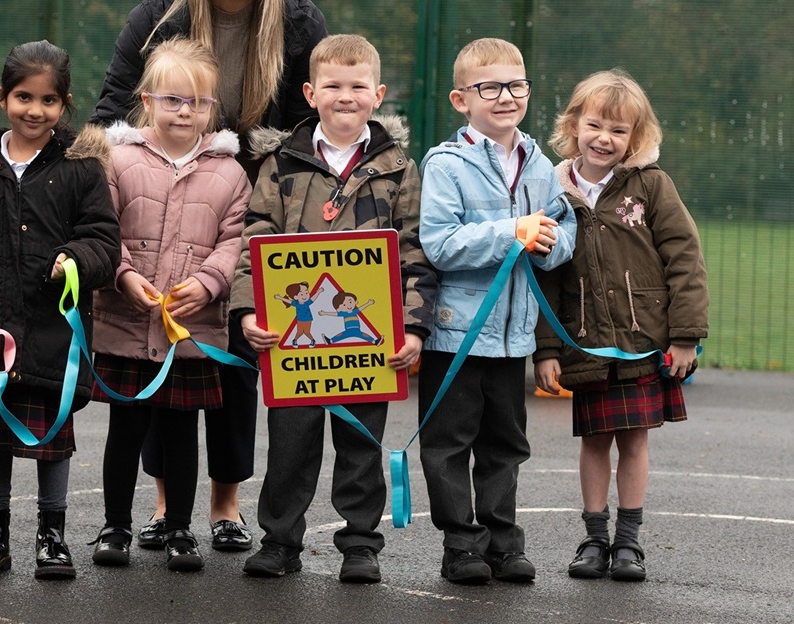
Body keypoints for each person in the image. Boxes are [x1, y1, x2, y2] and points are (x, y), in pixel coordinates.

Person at [92, 0, 329, 553]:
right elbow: (114, 102)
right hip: (163, 187)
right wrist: (98, 186)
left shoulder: (299, 20)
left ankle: (226, 504)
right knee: (163, 347)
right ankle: (168, 506)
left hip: (252, 194)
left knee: (236, 358)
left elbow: (315, 117)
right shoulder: (160, 13)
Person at [232, 34, 437, 584]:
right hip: (295, 343)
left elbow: (415, 250)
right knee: (290, 445)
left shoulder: (399, 167)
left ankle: (360, 545)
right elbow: (256, 239)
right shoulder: (281, 162)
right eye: (332, 86)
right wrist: (250, 313)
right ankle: (279, 541)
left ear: (378, 94)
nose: (345, 96)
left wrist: (413, 326)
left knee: (360, 445)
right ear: (310, 92)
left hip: (365, 341)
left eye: (357, 86)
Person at [0, 41, 120, 580]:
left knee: (51, 438)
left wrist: (75, 258)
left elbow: (103, 240)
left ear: (65, 104)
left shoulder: (82, 168)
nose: (34, 110)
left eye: (49, 101)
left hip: (53, 333)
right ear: (2, 97)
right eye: (24, 96)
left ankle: (53, 538)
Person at [533, 69, 707, 582]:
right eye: (595, 125)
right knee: (593, 440)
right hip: (582, 342)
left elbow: (685, 258)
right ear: (574, 125)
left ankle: (629, 544)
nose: (604, 138)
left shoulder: (651, 185)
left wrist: (684, 337)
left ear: (637, 137)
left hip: (642, 341)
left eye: (619, 130)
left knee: (633, 440)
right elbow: (545, 278)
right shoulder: (553, 189)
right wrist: (546, 350)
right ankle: (594, 539)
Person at [416, 37, 577, 585]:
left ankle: (504, 544)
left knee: (505, 445)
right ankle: (461, 545)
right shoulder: (444, 164)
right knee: (448, 445)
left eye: (517, 85)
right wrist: (513, 232)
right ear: (462, 99)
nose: (506, 97)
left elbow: (564, 229)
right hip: (456, 338)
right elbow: (440, 243)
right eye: (490, 87)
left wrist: (550, 241)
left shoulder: (540, 163)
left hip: (514, 340)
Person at [89, 37, 252, 572]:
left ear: (213, 108)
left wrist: (209, 283)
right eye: (173, 99)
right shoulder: (116, 159)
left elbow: (237, 241)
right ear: (146, 98)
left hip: (193, 331)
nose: (185, 111)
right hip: (128, 326)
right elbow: (100, 228)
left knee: (184, 432)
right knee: (126, 430)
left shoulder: (231, 172)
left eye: (198, 102)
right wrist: (122, 274)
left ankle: (181, 528)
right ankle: (115, 527)